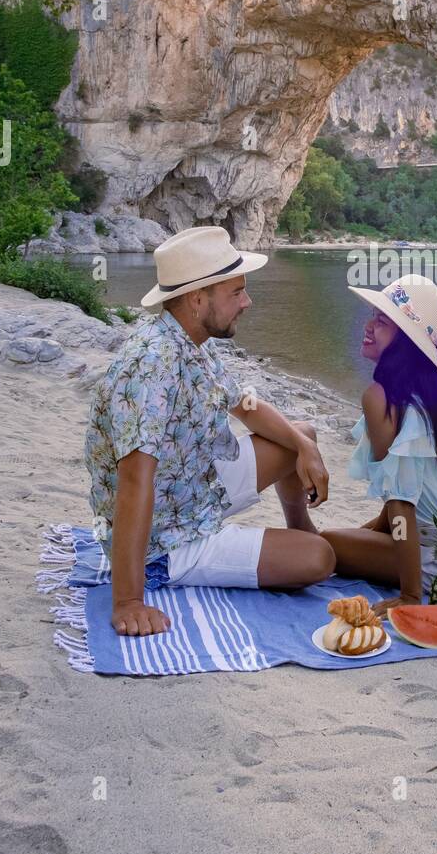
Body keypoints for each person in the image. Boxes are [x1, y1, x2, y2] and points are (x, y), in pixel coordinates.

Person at [84, 226, 334, 638]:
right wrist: (128, 600)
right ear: (198, 298)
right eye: (236, 292)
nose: (248, 302)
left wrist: (304, 444)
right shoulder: (152, 365)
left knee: (299, 431)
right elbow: (134, 482)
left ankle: (299, 525)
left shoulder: (191, 340)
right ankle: (292, 543)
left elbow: (246, 408)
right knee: (318, 560)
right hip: (166, 538)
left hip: (192, 489)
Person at [320, 272, 437, 615]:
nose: (369, 326)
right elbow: (414, 487)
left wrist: (410, 597)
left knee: (327, 544)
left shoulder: (380, 398)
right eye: (374, 316)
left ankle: (415, 584)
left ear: (405, 341)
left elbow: (402, 502)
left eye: (383, 321)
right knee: (353, 535)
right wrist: (372, 530)